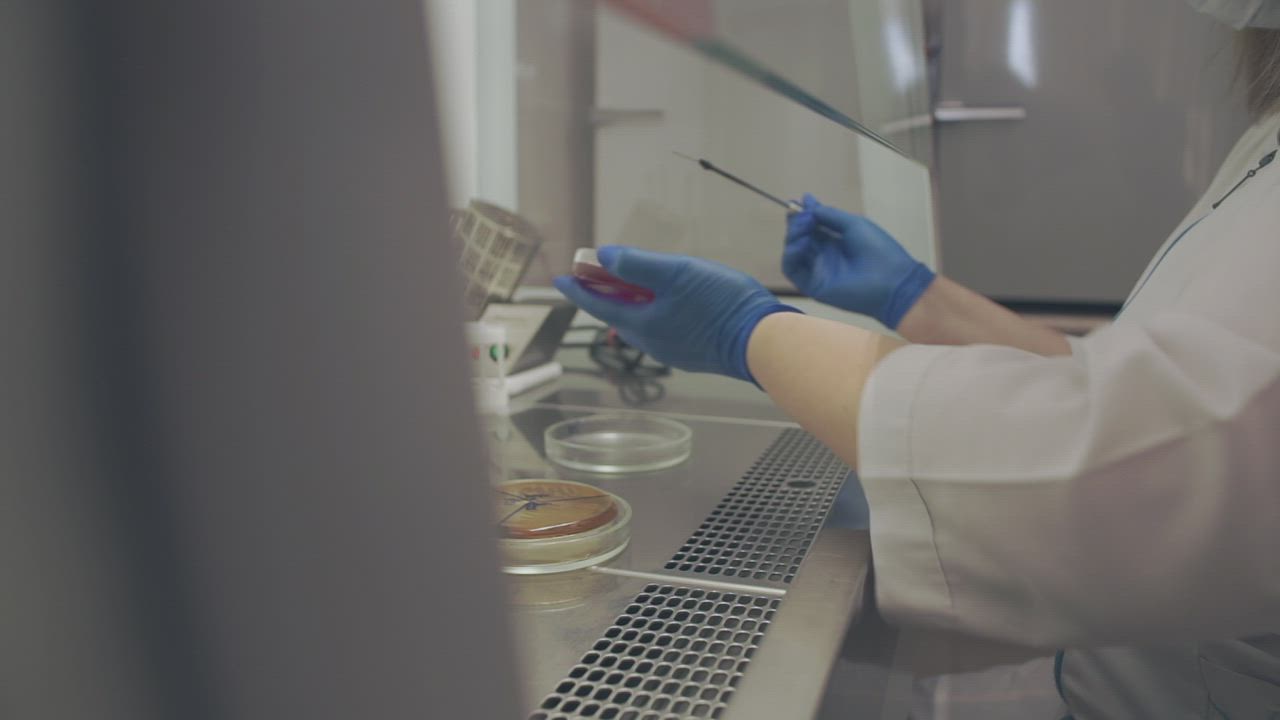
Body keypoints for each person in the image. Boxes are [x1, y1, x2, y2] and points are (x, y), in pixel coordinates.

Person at [554, 2, 1280, 717]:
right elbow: (1137, 392)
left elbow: (1115, 470)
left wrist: (747, 332)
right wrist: (917, 297)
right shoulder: (1265, 140)